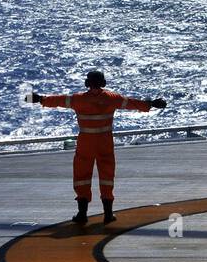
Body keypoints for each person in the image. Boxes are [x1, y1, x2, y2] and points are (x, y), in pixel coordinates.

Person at [25, 70, 167, 224]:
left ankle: (82, 214)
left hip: (86, 141)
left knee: (82, 175)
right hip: (105, 141)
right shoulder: (112, 98)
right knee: (107, 175)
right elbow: (131, 103)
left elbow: (59, 100)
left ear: (87, 83)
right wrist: (151, 103)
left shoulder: (78, 99)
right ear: (103, 83)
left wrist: (39, 99)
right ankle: (108, 214)